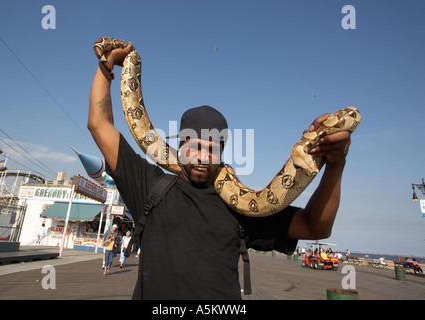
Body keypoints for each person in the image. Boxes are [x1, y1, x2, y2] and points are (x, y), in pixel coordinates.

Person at [88, 43, 353, 299]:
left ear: (222, 152)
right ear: (180, 145)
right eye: (195, 146)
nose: (202, 156)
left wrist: (335, 164)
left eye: (212, 149)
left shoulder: (244, 207)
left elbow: (315, 227)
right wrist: (109, 65)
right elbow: (99, 125)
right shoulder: (151, 188)